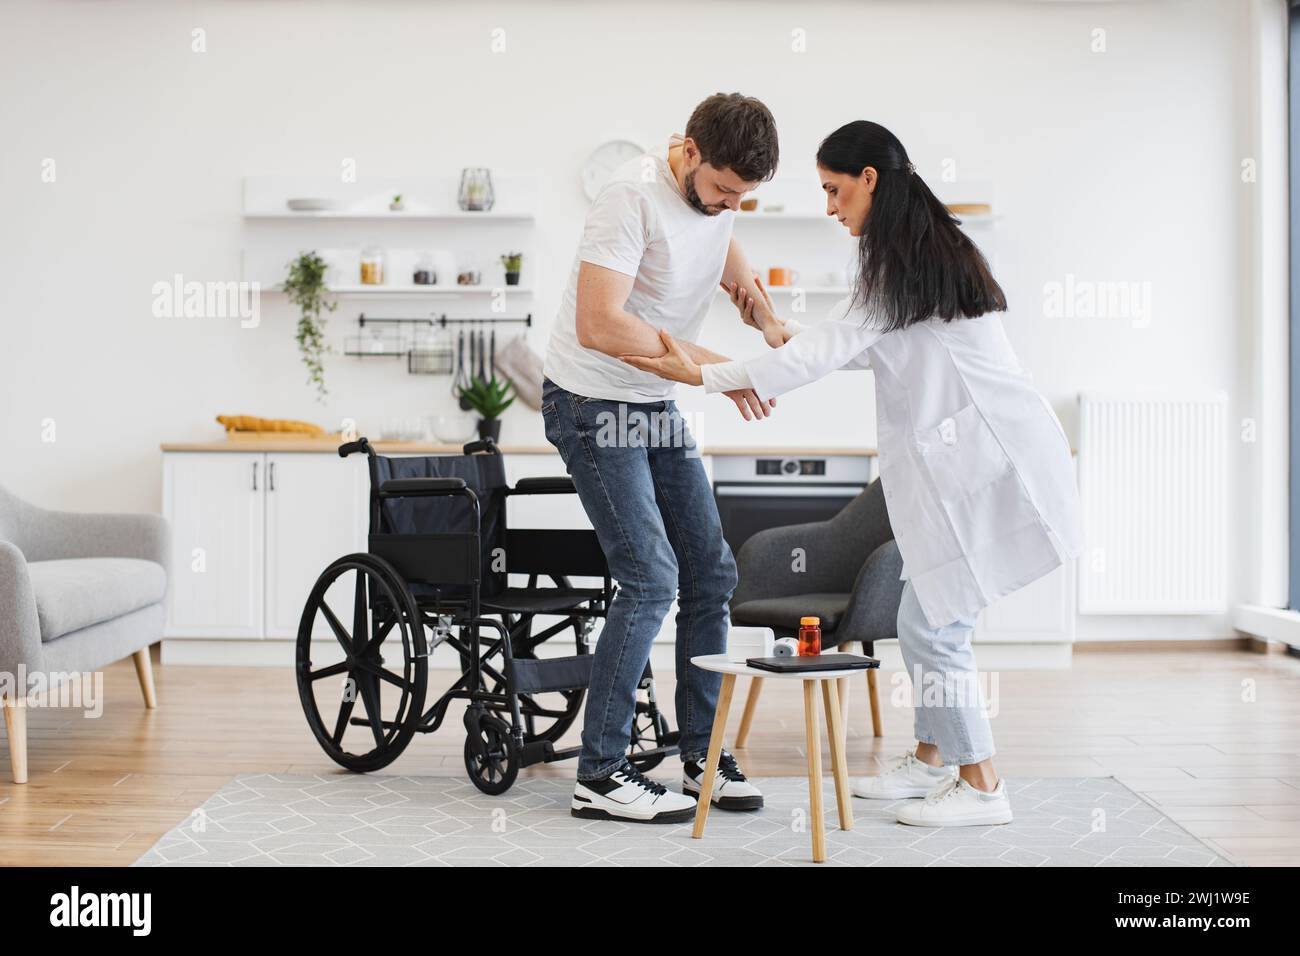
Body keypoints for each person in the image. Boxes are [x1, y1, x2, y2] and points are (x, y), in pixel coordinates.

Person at [620, 120, 1084, 828]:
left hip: (994, 466)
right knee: (923, 613)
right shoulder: (916, 251)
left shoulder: (895, 263)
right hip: (981, 460)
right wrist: (782, 337)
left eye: (836, 190)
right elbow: (859, 347)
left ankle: (982, 785)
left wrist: (703, 373)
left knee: (936, 627)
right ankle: (932, 760)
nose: (831, 208)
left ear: (870, 178)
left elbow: (830, 353)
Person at [543, 93, 782, 823]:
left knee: (711, 571)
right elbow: (599, 324)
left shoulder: (719, 198)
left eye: (742, 198)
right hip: (592, 404)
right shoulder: (629, 199)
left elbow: (723, 249)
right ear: (689, 152)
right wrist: (714, 367)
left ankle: (701, 756)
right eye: (721, 190)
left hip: (651, 404)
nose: (728, 206)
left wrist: (761, 312)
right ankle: (602, 774)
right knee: (650, 578)